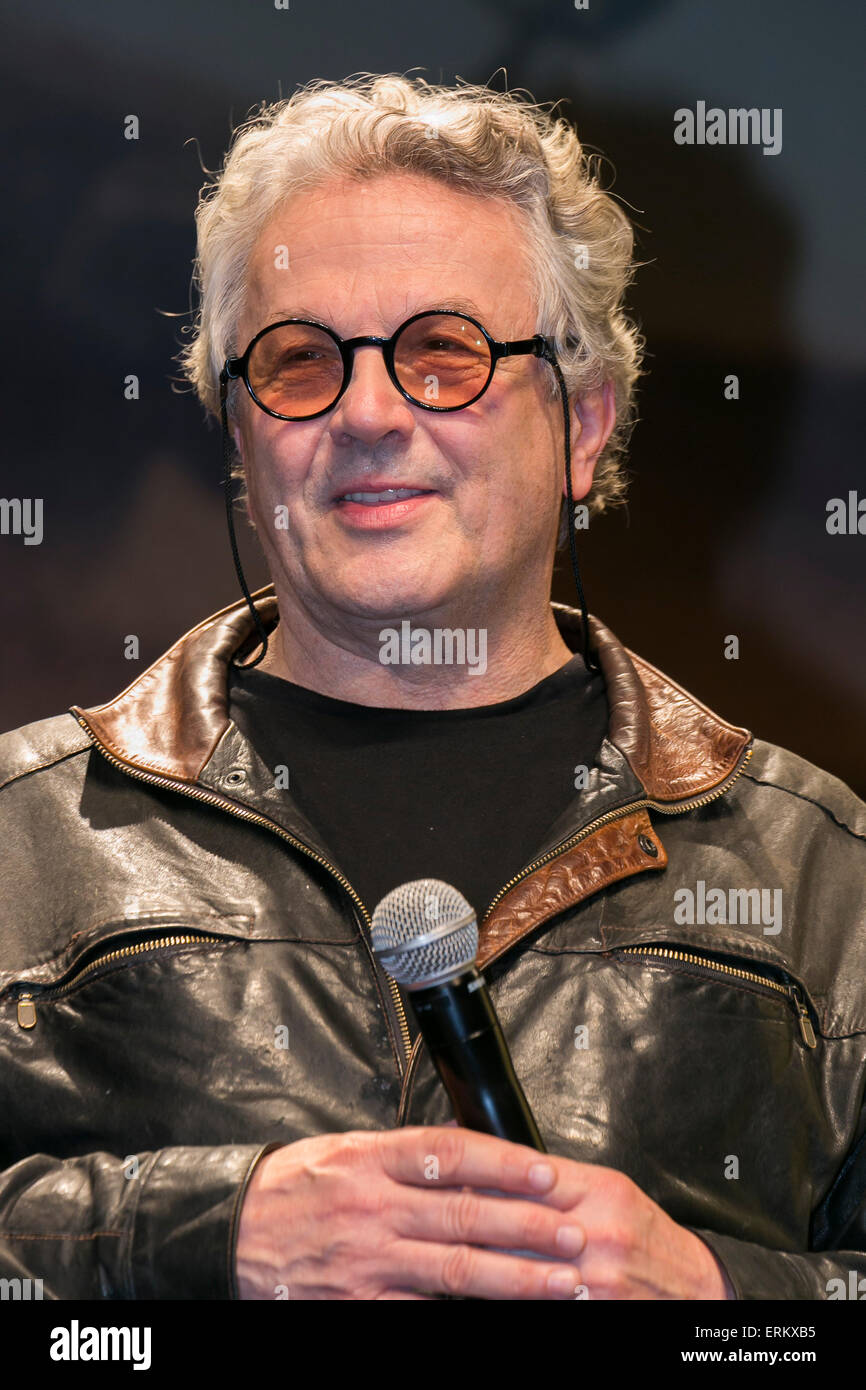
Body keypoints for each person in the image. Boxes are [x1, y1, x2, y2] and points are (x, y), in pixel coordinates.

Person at [1, 73, 864, 1303]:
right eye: (299, 362)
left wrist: (715, 1304)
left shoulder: (820, 879)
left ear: (580, 428)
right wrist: (197, 1239)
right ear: (240, 436)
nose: (365, 413)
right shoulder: (21, 845)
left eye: (441, 354)